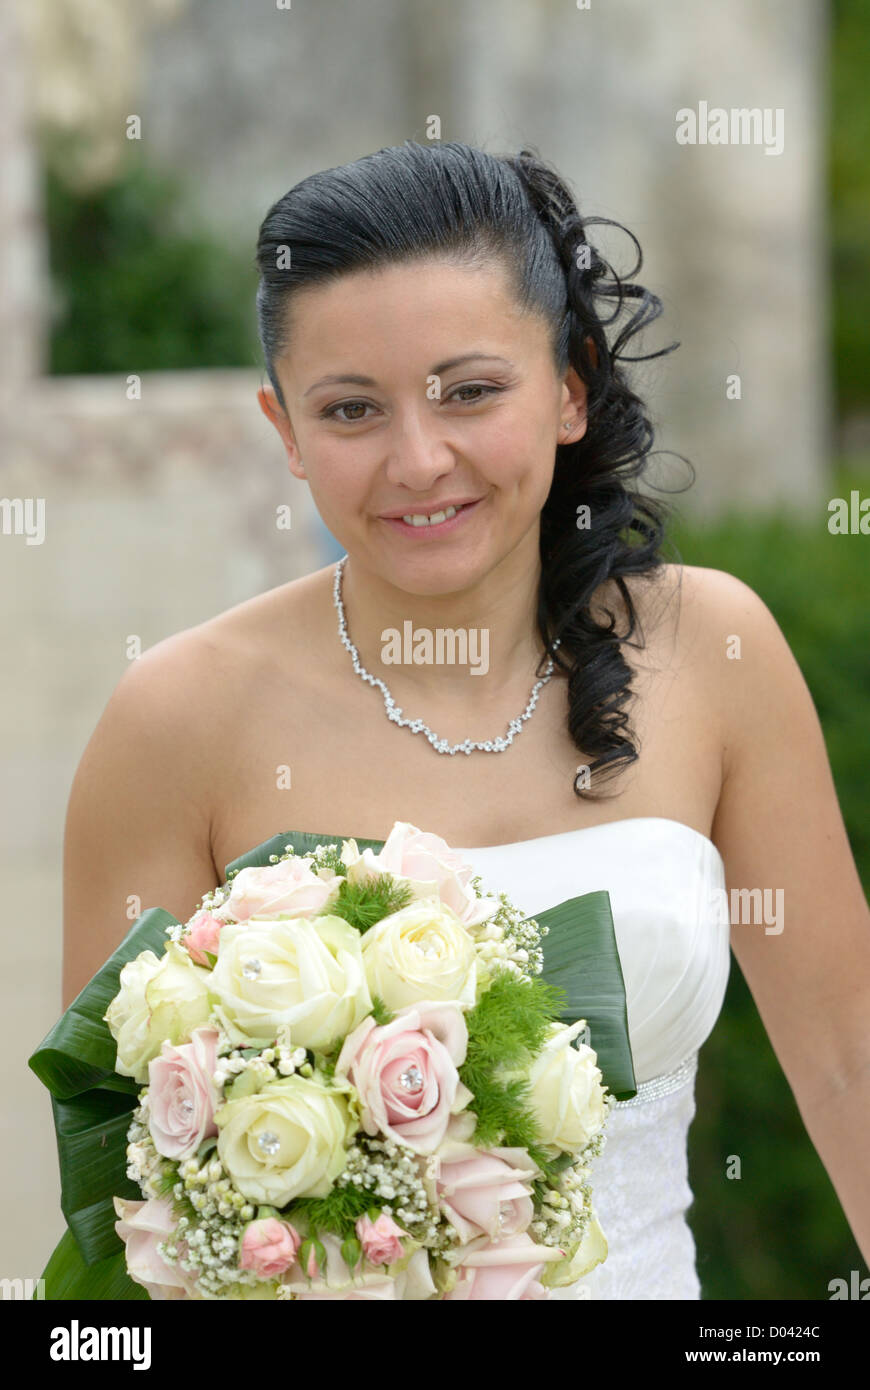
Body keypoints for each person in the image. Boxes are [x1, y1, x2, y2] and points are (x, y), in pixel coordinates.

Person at [61, 140, 870, 1297]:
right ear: (283, 428)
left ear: (570, 387)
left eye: (471, 391)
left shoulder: (712, 651)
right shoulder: (176, 719)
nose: (419, 459)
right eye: (351, 410)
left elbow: (850, 1061)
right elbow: (121, 1188)